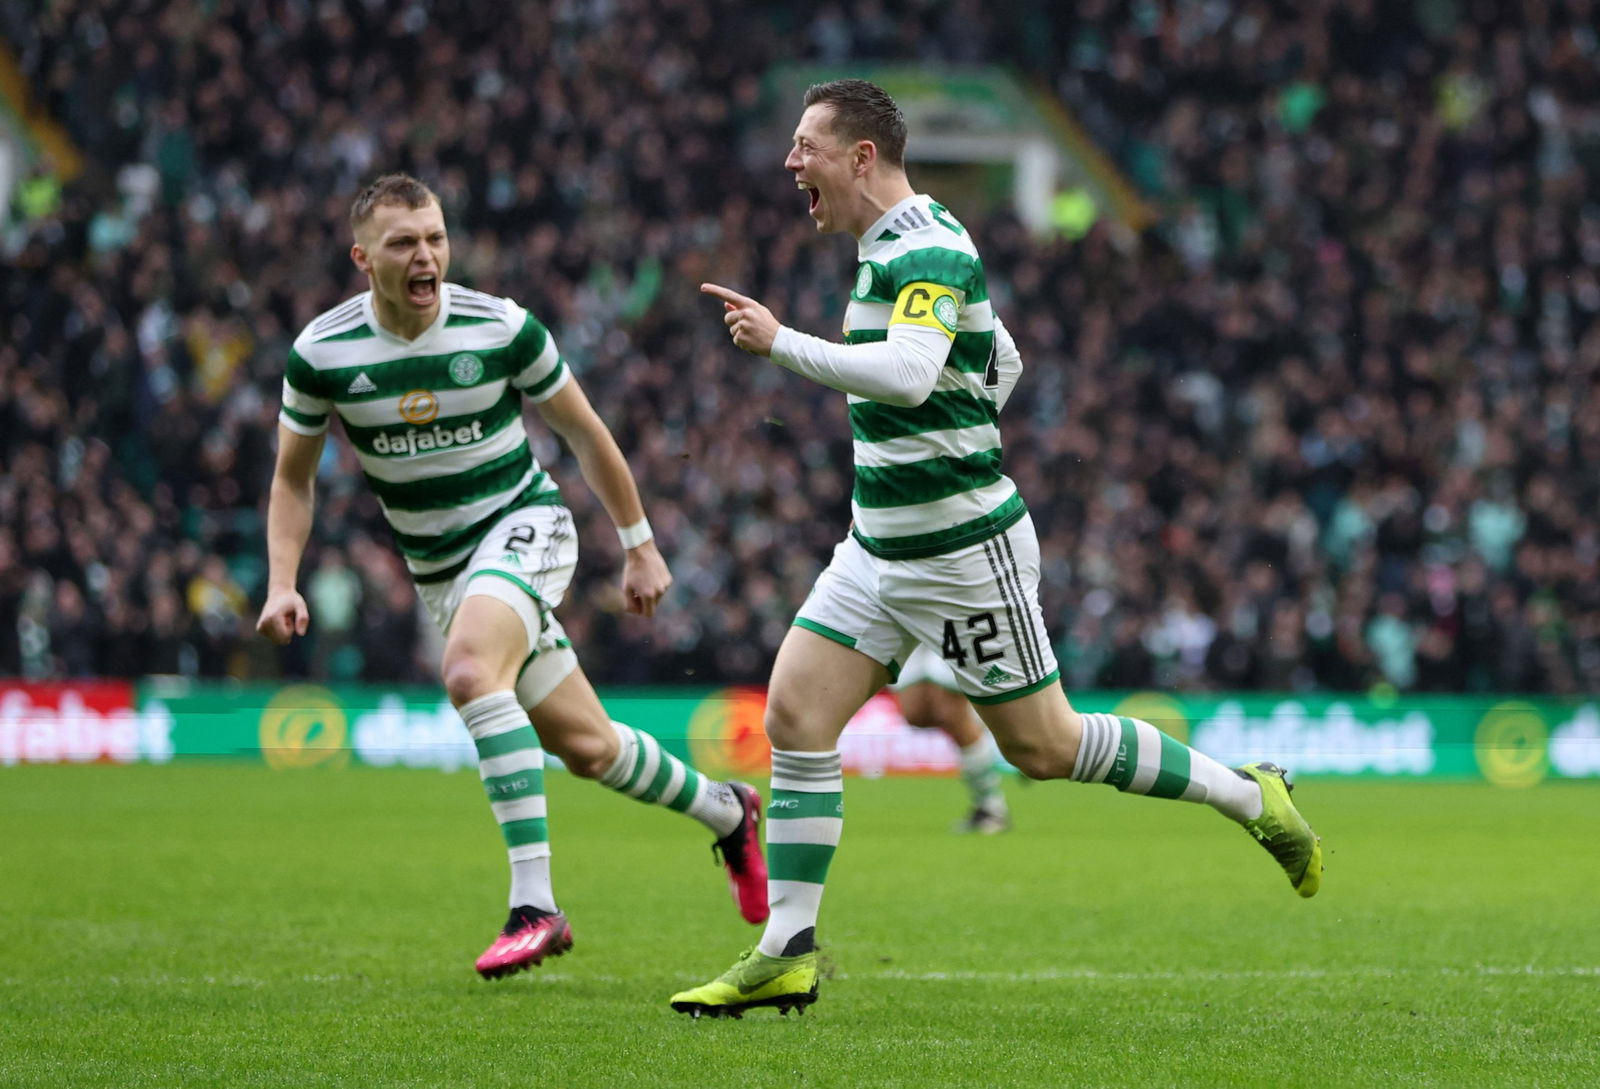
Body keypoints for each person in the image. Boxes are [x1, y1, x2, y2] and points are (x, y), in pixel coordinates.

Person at [670, 80, 1321, 1019]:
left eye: (805, 144)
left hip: (962, 552)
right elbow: (999, 360)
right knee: (797, 716)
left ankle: (1249, 795)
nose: (789, 161)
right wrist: (961, 425)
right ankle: (787, 948)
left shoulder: (928, 245)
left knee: (1046, 747)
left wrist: (781, 345)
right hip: (877, 545)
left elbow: (907, 371)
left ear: (860, 156)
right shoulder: (889, 243)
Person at [255, 173, 768, 981]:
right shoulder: (322, 353)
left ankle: (536, 904)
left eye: (435, 237)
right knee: (589, 746)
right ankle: (727, 809)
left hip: (526, 527)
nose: (426, 255)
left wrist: (639, 542)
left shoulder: (499, 327)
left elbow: (586, 433)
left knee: (467, 670)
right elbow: (293, 477)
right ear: (363, 257)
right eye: (403, 243)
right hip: (443, 572)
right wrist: (283, 579)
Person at [894, 644, 1011, 834]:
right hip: (907, 622)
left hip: (946, 621)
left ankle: (991, 807)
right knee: (916, 713)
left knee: (952, 713)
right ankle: (1001, 727)